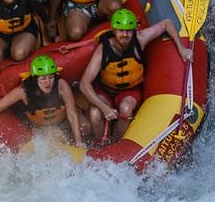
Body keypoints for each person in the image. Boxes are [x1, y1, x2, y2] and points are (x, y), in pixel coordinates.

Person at [80, 8, 192, 141]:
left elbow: (166, 23)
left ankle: (117, 141)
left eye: (129, 30)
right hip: (106, 91)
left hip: (131, 90)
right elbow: (84, 84)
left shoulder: (140, 39)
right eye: (121, 30)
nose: (125, 35)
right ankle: (99, 143)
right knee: (94, 114)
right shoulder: (103, 49)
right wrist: (104, 108)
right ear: (114, 31)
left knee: (126, 109)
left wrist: (182, 49)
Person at [0, 54, 88, 149]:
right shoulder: (23, 91)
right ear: (35, 78)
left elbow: (72, 113)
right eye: (43, 78)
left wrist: (79, 141)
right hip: (42, 127)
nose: (48, 82)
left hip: (63, 121)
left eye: (51, 77)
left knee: (85, 126)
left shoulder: (61, 85)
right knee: (56, 133)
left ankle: (93, 147)